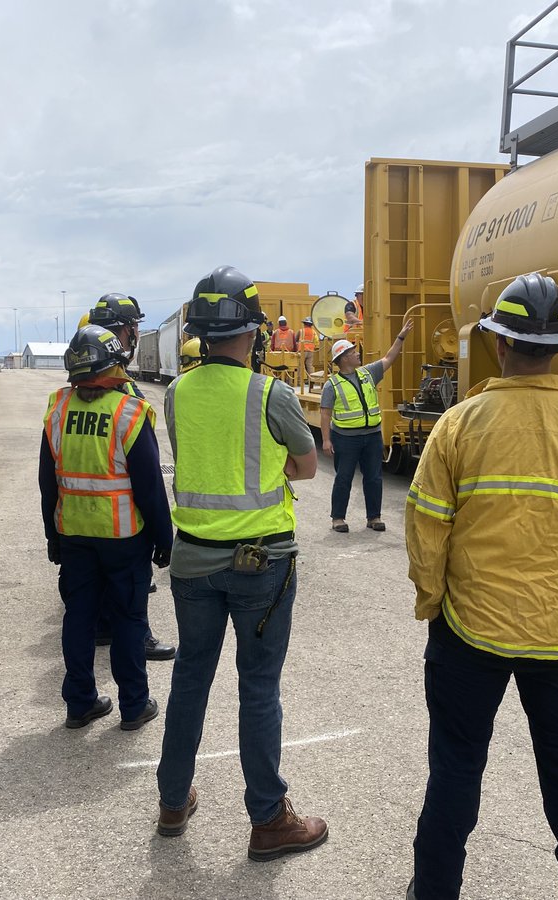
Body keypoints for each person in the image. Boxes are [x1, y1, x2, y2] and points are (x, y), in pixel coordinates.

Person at [402, 273, 558, 900]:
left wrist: (434, 603)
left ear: (499, 343)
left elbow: (427, 527)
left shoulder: (459, 425)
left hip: (468, 631)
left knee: (455, 768)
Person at [155, 265, 327, 861]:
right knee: (258, 687)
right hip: (262, 563)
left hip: (193, 562)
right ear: (253, 331)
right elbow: (306, 467)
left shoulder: (176, 392)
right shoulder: (270, 393)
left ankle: (173, 801)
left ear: (200, 331)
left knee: (190, 679)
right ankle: (268, 820)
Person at [39, 325, 175, 731]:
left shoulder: (58, 409)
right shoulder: (128, 412)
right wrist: (163, 538)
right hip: (123, 539)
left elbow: (48, 480)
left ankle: (80, 703)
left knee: (78, 617)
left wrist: (53, 534)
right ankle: (134, 706)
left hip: (75, 534)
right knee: (129, 621)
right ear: (116, 365)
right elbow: (150, 485)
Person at [88, 292, 177, 661]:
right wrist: (161, 531)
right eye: (134, 328)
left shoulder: (83, 380)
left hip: (83, 511)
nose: (136, 335)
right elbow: (145, 471)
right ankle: (138, 636)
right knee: (132, 584)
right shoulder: (121, 386)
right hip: (122, 514)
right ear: (125, 332)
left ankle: (106, 626)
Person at [319, 318, 414, 532]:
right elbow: (325, 414)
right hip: (345, 439)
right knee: (344, 478)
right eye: (353, 352)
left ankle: (374, 517)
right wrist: (326, 440)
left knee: (374, 477)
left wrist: (401, 337)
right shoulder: (331, 385)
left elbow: (389, 358)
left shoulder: (368, 373)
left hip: (372, 436)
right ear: (343, 359)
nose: (357, 353)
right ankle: (338, 519)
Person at [299, 317, 318, 383]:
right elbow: (316, 342)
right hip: (311, 351)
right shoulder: (314, 332)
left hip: (302, 350)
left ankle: (300, 381)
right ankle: (311, 380)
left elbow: (295, 340)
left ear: (305, 324)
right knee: (309, 365)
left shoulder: (301, 331)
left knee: (301, 365)